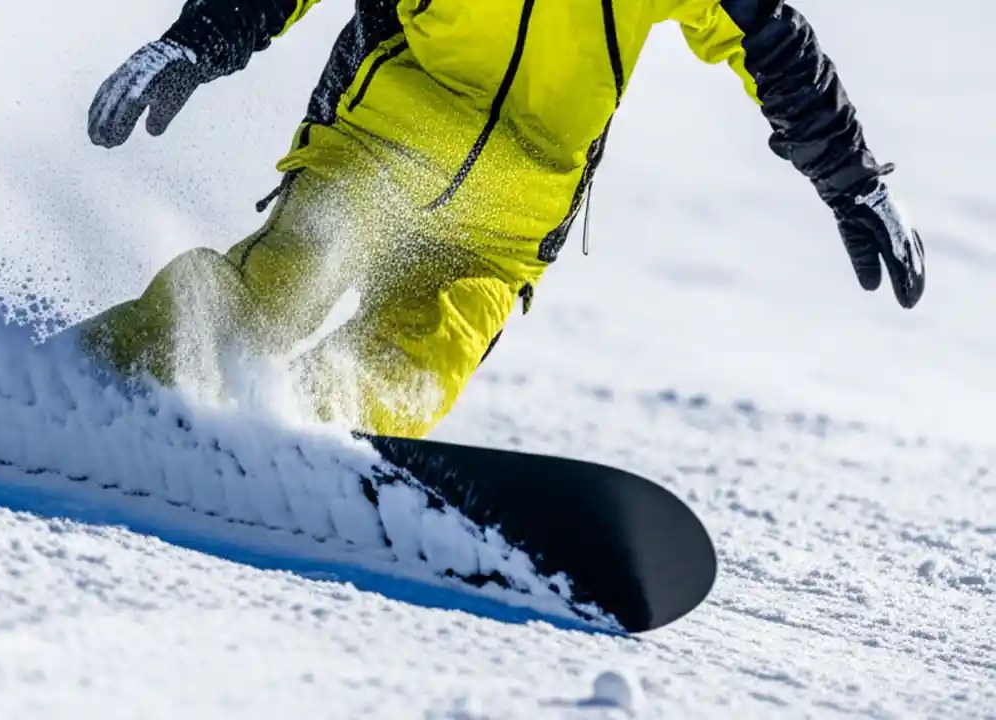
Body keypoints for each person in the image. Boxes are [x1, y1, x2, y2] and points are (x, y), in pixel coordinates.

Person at [84, 0, 926, 438]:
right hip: (376, 154)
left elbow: (774, 46)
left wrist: (856, 186)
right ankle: (85, 379)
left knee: (414, 365)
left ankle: (298, 444)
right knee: (278, 287)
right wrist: (199, 40)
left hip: (505, 226)